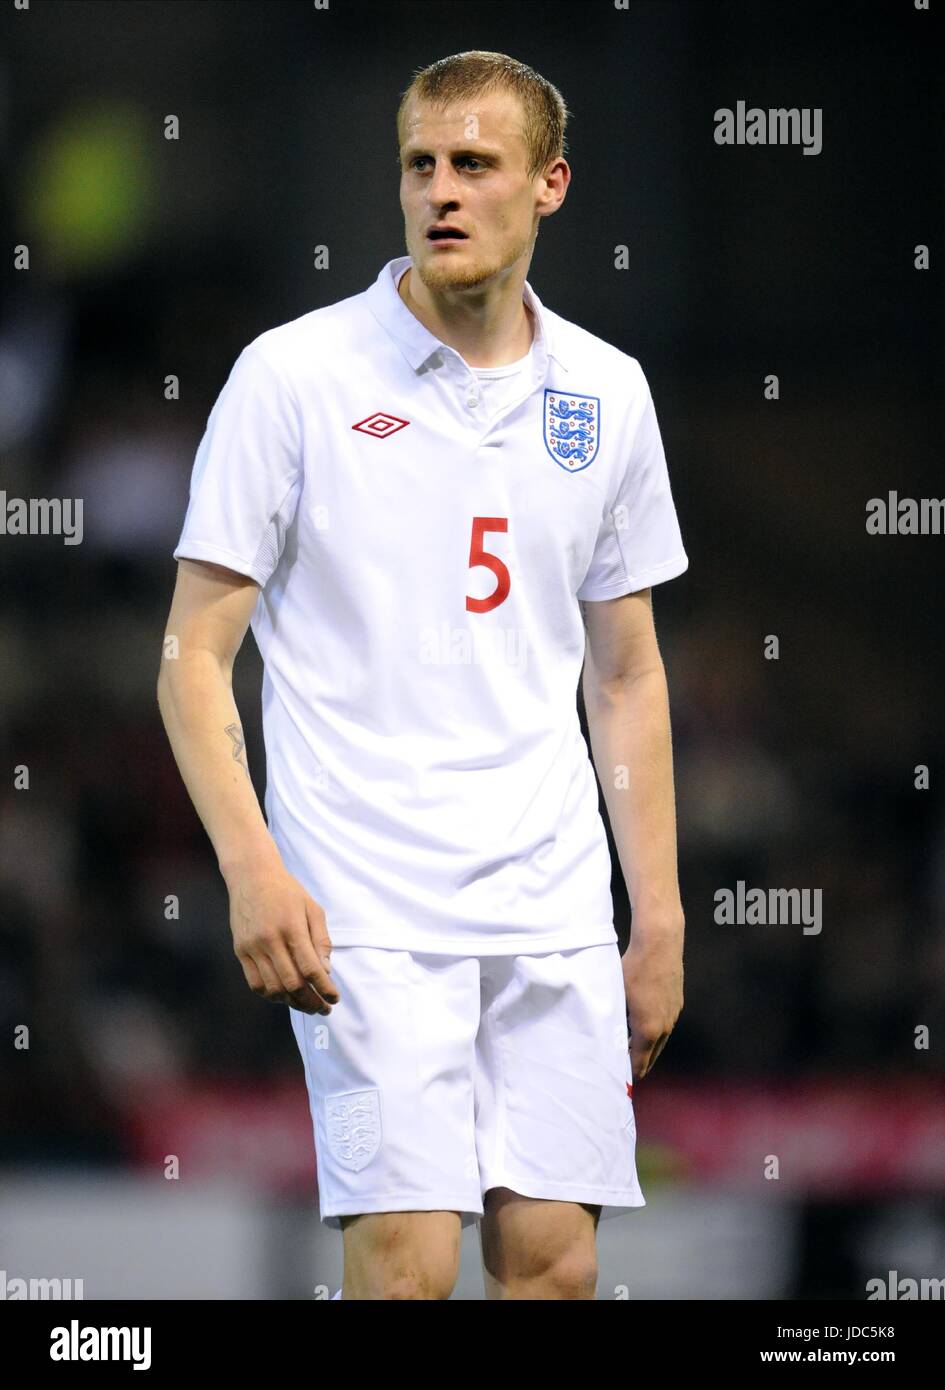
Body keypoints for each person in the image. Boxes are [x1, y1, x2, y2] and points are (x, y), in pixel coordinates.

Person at [157, 49, 687, 1300]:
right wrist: (252, 868)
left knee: (555, 1266)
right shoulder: (295, 377)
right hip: (366, 900)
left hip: (551, 893)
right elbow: (191, 659)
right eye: (419, 165)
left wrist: (655, 913)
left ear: (549, 186)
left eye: (474, 165)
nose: (440, 191)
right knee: (403, 1271)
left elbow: (628, 676)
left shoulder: (608, 394)